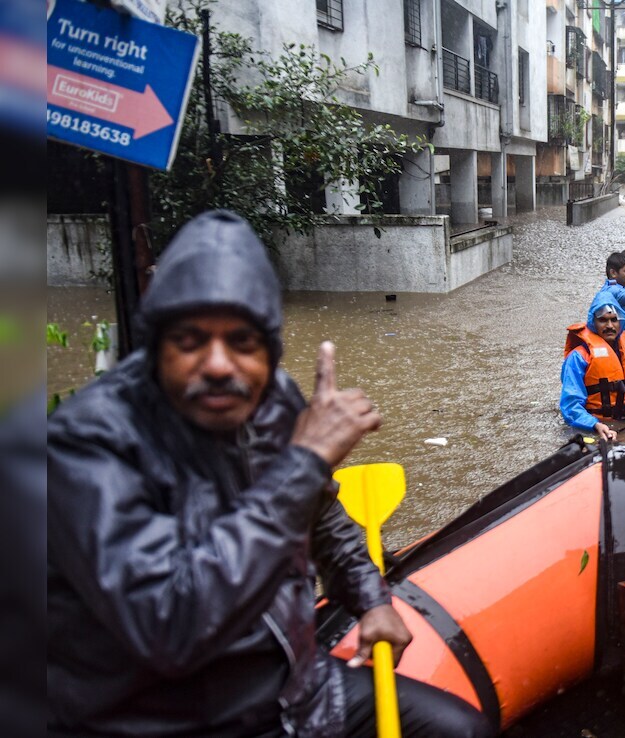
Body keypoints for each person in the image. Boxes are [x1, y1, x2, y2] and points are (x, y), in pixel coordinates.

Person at [47, 211, 492, 738]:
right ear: (155, 349)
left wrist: (370, 599)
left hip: (291, 690)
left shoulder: (274, 400)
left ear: (269, 351)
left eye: (242, 342)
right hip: (156, 716)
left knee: (458, 729)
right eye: (190, 341)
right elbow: (170, 626)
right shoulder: (87, 442)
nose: (218, 364)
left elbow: (322, 514)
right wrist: (304, 463)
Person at [560, 292, 625, 441]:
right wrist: (594, 425)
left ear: (621, 322)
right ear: (593, 322)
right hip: (593, 427)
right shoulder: (578, 357)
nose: (610, 326)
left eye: (614, 320)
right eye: (603, 320)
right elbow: (571, 404)